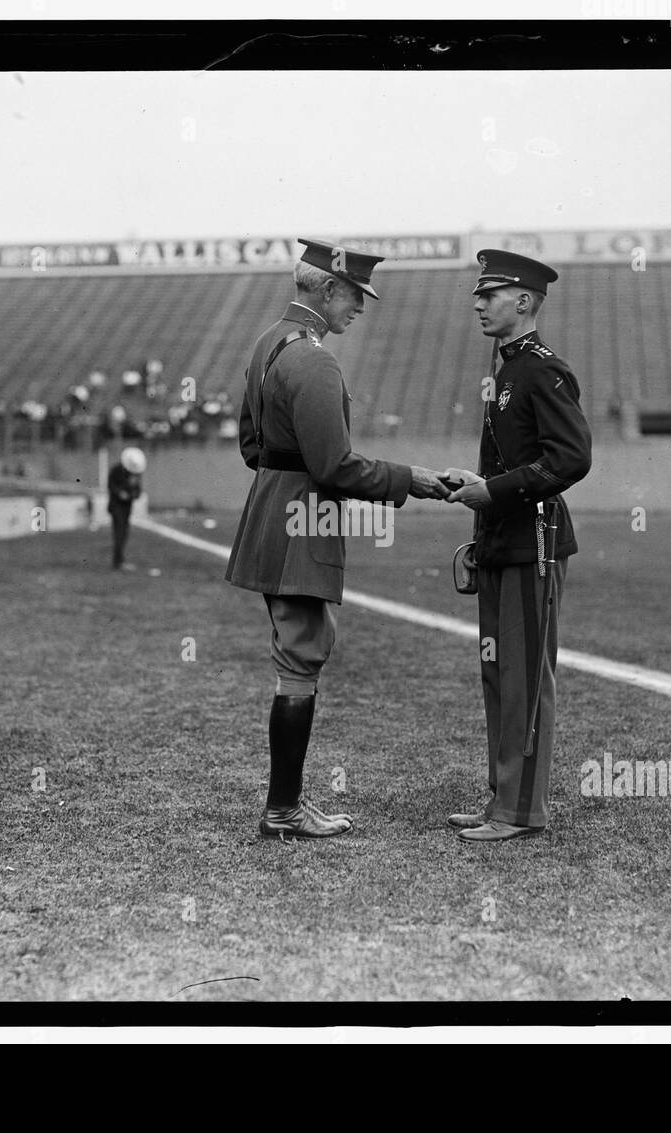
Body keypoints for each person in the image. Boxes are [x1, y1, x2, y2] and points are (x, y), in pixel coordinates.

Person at [226, 239, 450, 839]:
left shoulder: (267, 342)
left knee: (298, 649)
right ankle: (284, 809)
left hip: (271, 509)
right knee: (303, 654)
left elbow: (252, 447)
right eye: (356, 295)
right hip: (304, 518)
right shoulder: (315, 359)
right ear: (327, 289)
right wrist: (413, 480)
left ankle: (286, 805)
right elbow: (335, 467)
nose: (361, 307)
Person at [443, 249, 593, 843]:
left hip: (535, 543)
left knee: (524, 678)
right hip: (505, 542)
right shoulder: (507, 369)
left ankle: (520, 811)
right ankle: (501, 797)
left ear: (524, 301)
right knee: (497, 673)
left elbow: (571, 457)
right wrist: (482, 493)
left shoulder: (540, 370)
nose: (478, 303)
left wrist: (494, 491)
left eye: (490, 294)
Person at [107, 447, 145, 569]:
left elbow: (138, 492)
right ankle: (117, 562)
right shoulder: (116, 470)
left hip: (126, 508)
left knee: (124, 534)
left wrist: (132, 492)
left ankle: (119, 560)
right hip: (116, 506)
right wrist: (120, 493)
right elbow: (111, 486)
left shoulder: (134, 475)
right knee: (119, 533)